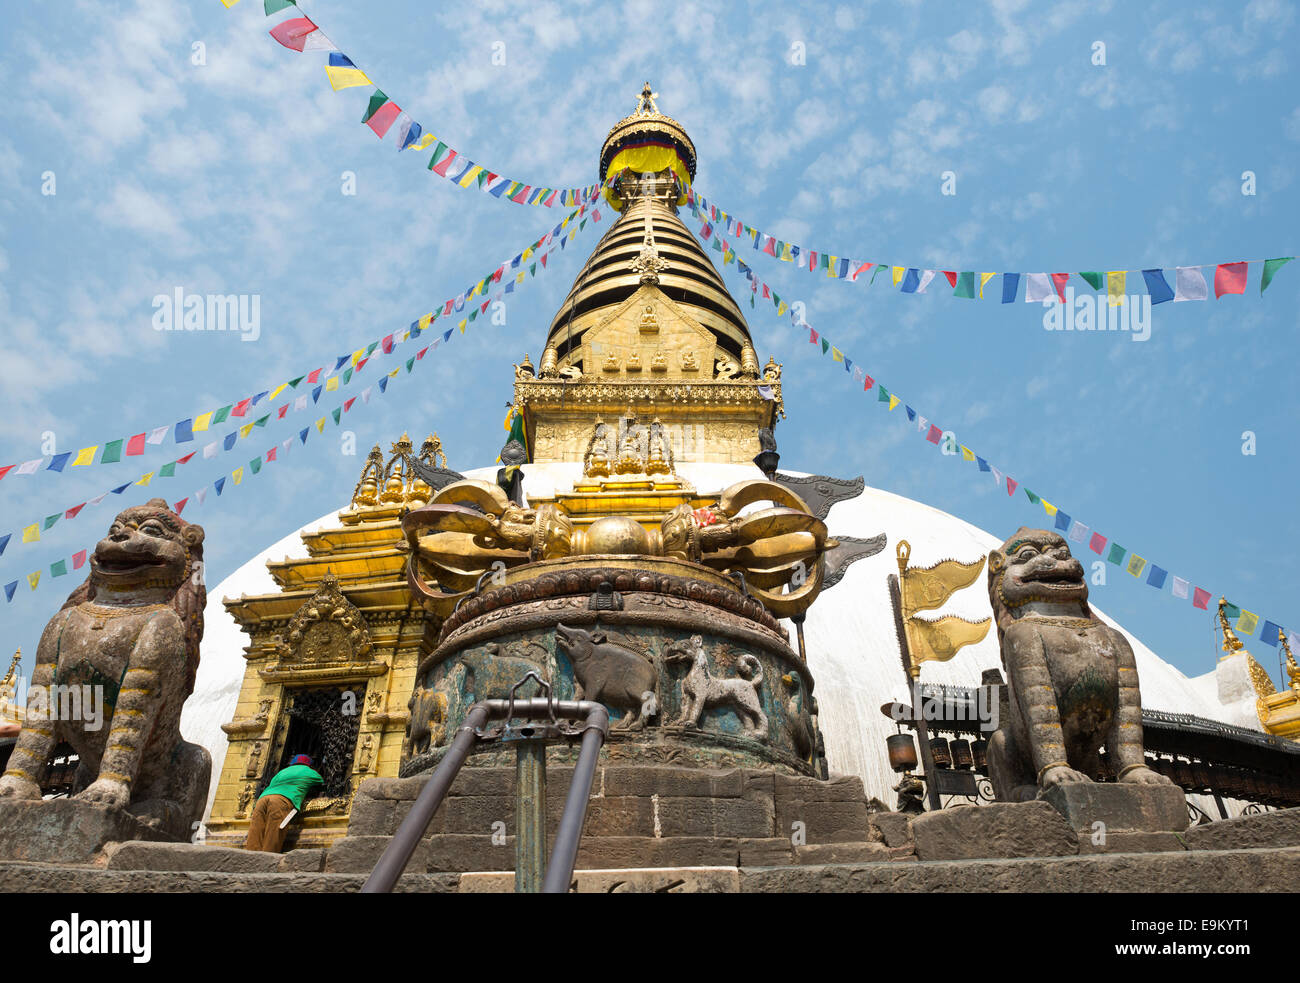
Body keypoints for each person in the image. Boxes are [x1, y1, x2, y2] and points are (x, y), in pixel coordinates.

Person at [244, 754, 324, 852]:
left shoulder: (281, 772)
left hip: (262, 799)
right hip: (282, 800)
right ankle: (267, 861)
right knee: (274, 833)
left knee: (256, 831)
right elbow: (321, 782)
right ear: (309, 765)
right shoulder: (310, 772)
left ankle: (250, 859)